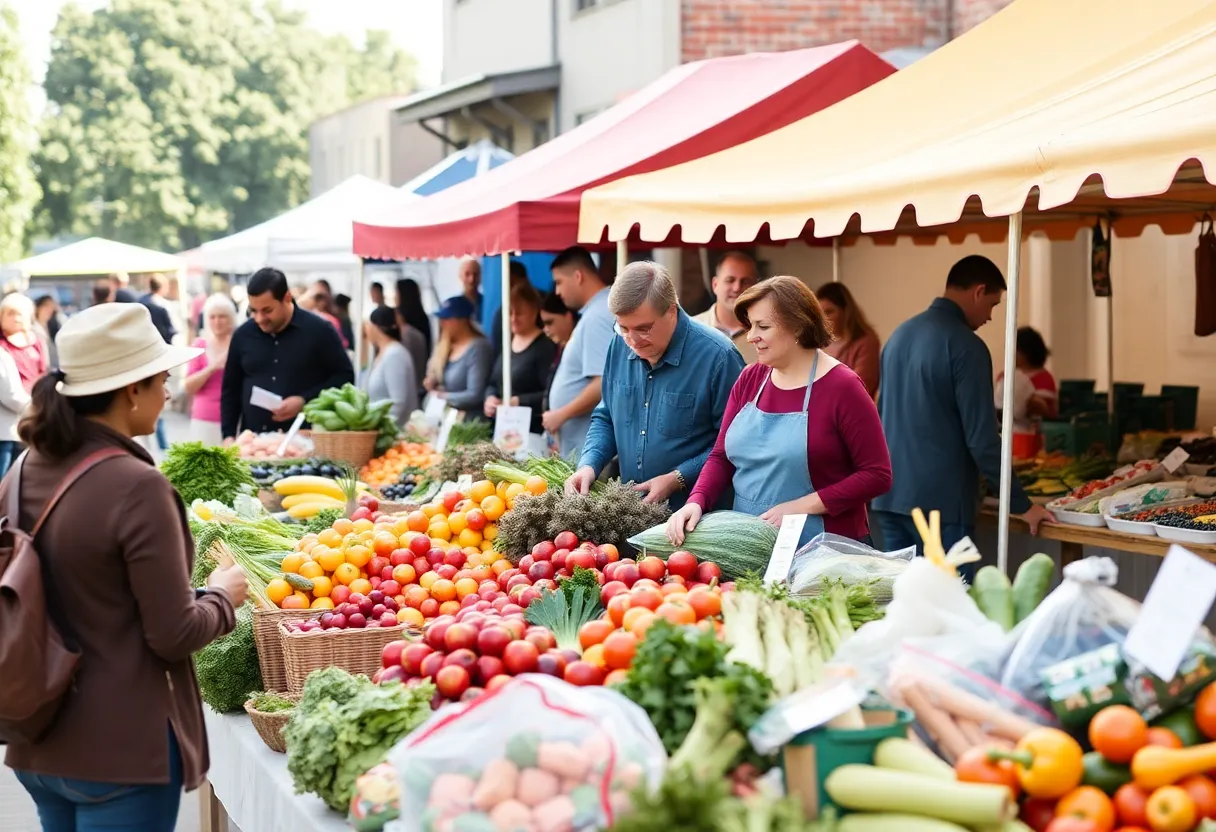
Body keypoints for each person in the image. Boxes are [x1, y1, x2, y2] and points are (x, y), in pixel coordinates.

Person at [3, 302, 247, 831]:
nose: (167, 392)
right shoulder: (139, 487)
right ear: (131, 389)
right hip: (120, 749)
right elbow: (173, 633)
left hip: (38, 737)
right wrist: (223, 595)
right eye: (161, 379)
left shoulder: (23, 470)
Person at [667, 277, 892, 548]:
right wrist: (697, 501)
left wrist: (801, 506)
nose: (751, 337)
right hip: (750, 545)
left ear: (798, 325)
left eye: (763, 326)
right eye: (750, 326)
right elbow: (721, 456)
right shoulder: (749, 379)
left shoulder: (843, 387)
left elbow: (877, 475)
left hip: (824, 548)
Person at [873, 255, 1053, 567]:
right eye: (993, 305)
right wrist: (1022, 505)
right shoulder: (966, 347)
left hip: (889, 498)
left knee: (900, 604)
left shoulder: (898, 336)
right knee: (951, 605)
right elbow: (982, 438)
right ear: (979, 291)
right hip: (940, 506)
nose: (990, 317)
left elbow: (879, 415)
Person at [567, 261, 745, 510]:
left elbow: (734, 444)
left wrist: (678, 478)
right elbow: (606, 417)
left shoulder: (719, 357)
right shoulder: (619, 345)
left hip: (697, 519)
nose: (633, 340)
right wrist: (589, 464)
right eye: (623, 328)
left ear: (671, 311)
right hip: (633, 515)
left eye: (643, 328)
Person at [220, 268, 354, 439]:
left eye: (267, 310)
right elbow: (231, 389)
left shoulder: (320, 330)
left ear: (287, 298)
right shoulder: (242, 335)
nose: (259, 318)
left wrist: (304, 400)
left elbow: (345, 376)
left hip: (304, 443)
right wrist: (228, 435)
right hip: (253, 444)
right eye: (253, 310)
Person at [545, 246, 616, 458]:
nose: (556, 292)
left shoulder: (597, 315)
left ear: (578, 276)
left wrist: (561, 414)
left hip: (590, 449)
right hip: (585, 446)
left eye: (559, 282)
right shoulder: (597, 310)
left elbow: (603, 382)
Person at [484, 283, 558, 434]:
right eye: (510, 313)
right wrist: (490, 398)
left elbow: (551, 393)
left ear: (534, 312)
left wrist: (519, 401)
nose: (513, 318)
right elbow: (493, 382)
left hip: (532, 430)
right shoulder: (507, 341)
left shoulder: (544, 347)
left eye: (519, 313)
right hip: (502, 429)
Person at [183, 294, 238, 445]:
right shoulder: (199, 345)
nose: (217, 321)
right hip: (205, 418)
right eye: (212, 317)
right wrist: (212, 367)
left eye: (222, 316)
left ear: (231, 319)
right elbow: (188, 387)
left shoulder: (239, 345)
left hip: (235, 419)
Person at [425, 296, 494, 414]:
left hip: (470, 421)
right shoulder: (445, 346)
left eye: (447, 318)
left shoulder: (478, 347)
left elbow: (475, 394)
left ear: (462, 320)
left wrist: (442, 396)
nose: (442, 323)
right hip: (448, 417)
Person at [816, 282, 881, 399]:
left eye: (829, 312)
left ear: (846, 312)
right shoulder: (818, 344)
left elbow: (860, 387)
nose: (824, 320)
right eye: (820, 314)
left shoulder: (865, 343)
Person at [693, 251, 759, 363]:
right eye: (730, 280)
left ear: (756, 287)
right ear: (715, 285)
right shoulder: (691, 330)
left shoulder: (767, 334)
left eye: (745, 281)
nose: (737, 288)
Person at [361, 305, 418, 427]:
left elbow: (398, 402)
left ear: (374, 327)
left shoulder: (395, 355)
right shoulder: (383, 353)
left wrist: (380, 427)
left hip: (393, 433)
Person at [139, 276, 178, 451]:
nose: (168, 394)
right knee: (156, 409)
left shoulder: (140, 303)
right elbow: (171, 330)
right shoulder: (163, 306)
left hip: (146, 361)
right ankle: (163, 450)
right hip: (155, 360)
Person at [995, 326, 1058, 427]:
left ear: (1027, 352)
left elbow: (1040, 410)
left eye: (1015, 350)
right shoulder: (1004, 376)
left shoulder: (1044, 378)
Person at [489, 260, 534, 358]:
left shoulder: (542, 304)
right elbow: (497, 350)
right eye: (507, 285)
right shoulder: (501, 313)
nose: (513, 318)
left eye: (513, 283)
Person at [34, 294, 61, 367]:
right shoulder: (32, 328)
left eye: (51, 307)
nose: (49, 309)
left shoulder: (52, 327)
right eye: (46, 306)